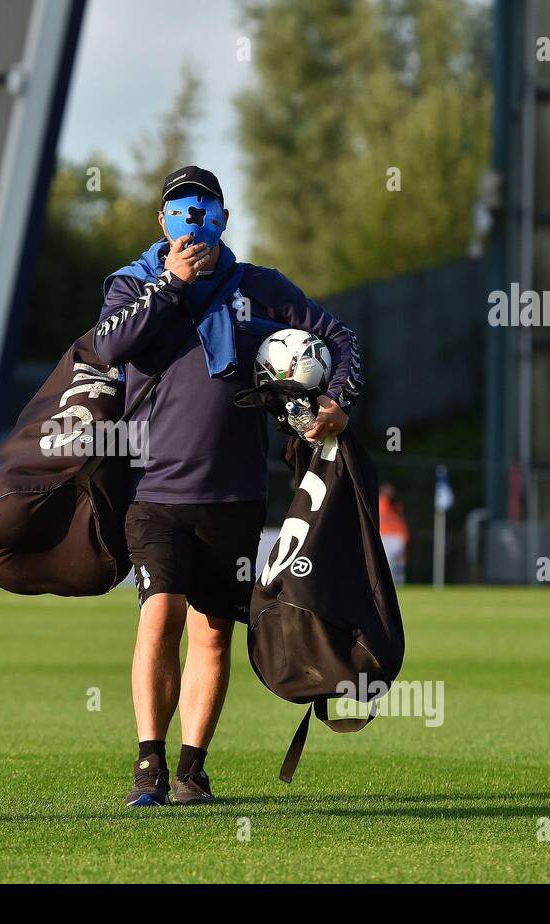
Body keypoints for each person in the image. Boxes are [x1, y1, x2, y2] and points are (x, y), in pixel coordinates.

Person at [92, 165, 362, 807]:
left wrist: (337, 401)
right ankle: (148, 767)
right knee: (159, 617)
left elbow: (341, 339)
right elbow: (109, 345)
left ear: (223, 218)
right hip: (154, 489)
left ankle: (192, 770)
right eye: (180, 211)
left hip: (237, 492)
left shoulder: (261, 288)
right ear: (162, 221)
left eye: (205, 210)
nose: (193, 223)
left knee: (214, 631)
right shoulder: (132, 283)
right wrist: (171, 286)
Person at [378, 483, 409, 585]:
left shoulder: (397, 505)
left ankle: (397, 583)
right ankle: (390, 583)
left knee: (398, 563)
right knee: (389, 562)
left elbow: (402, 523)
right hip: (385, 535)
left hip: (396, 536)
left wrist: (405, 537)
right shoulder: (379, 502)